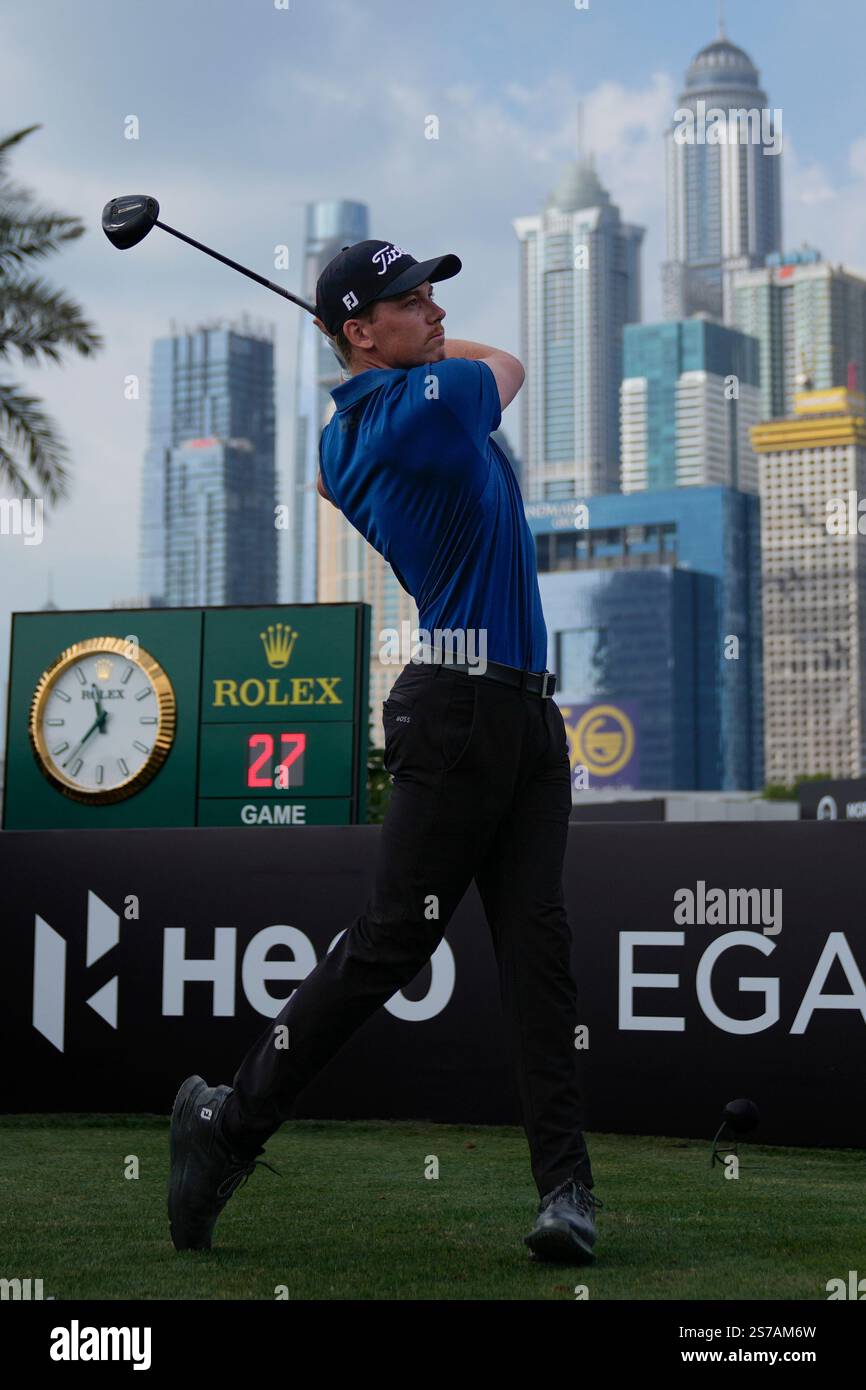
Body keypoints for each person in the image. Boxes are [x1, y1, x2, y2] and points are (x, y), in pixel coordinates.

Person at [168, 239, 601, 1264]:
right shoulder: (434, 403)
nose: (438, 311)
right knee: (388, 945)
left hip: (523, 715)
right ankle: (227, 1124)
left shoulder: (348, 439)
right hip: (456, 710)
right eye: (412, 300)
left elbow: (331, 484)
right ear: (363, 328)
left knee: (536, 953)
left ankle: (565, 1195)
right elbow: (512, 364)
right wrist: (395, 361)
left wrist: (374, 351)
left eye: (435, 293)